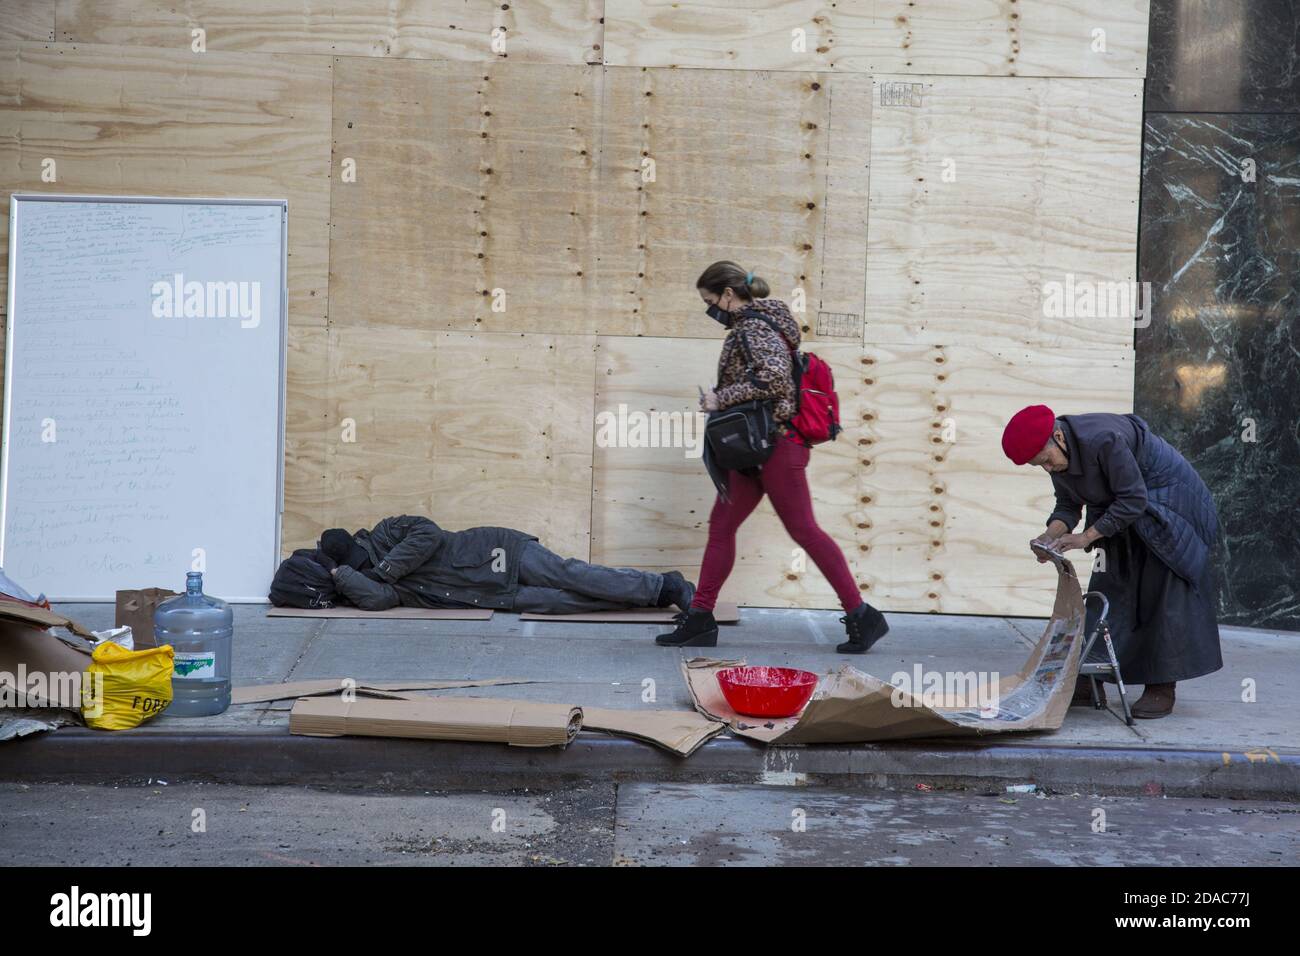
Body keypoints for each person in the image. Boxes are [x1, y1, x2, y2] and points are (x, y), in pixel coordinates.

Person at [655, 260, 889, 653]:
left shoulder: (753, 327)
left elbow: (776, 376)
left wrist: (720, 398)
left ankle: (863, 616)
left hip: (776, 447)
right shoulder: (764, 323)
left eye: (711, 301)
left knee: (804, 531)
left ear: (729, 295)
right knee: (721, 527)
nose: (711, 309)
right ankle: (700, 618)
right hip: (755, 449)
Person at [1001, 405, 1223, 719]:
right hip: (1125, 508)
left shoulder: (1103, 439)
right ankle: (1089, 678)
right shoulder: (1059, 456)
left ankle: (1161, 686)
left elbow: (1133, 499)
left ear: (1059, 437)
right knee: (1111, 585)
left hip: (1167, 503)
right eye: (1040, 466)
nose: (1048, 468)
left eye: (1046, 460)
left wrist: (1086, 537)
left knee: (1160, 591)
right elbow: (1067, 504)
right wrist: (1048, 536)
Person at [315, 516, 695, 615]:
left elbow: (428, 534)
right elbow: (379, 600)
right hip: (490, 595)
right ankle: (648, 600)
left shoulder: (387, 532)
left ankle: (666, 586)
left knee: (573, 575)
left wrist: (384, 569)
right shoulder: (365, 575)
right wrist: (343, 576)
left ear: (360, 543)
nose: (366, 568)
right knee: (566, 602)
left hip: (500, 552)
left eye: (359, 562)